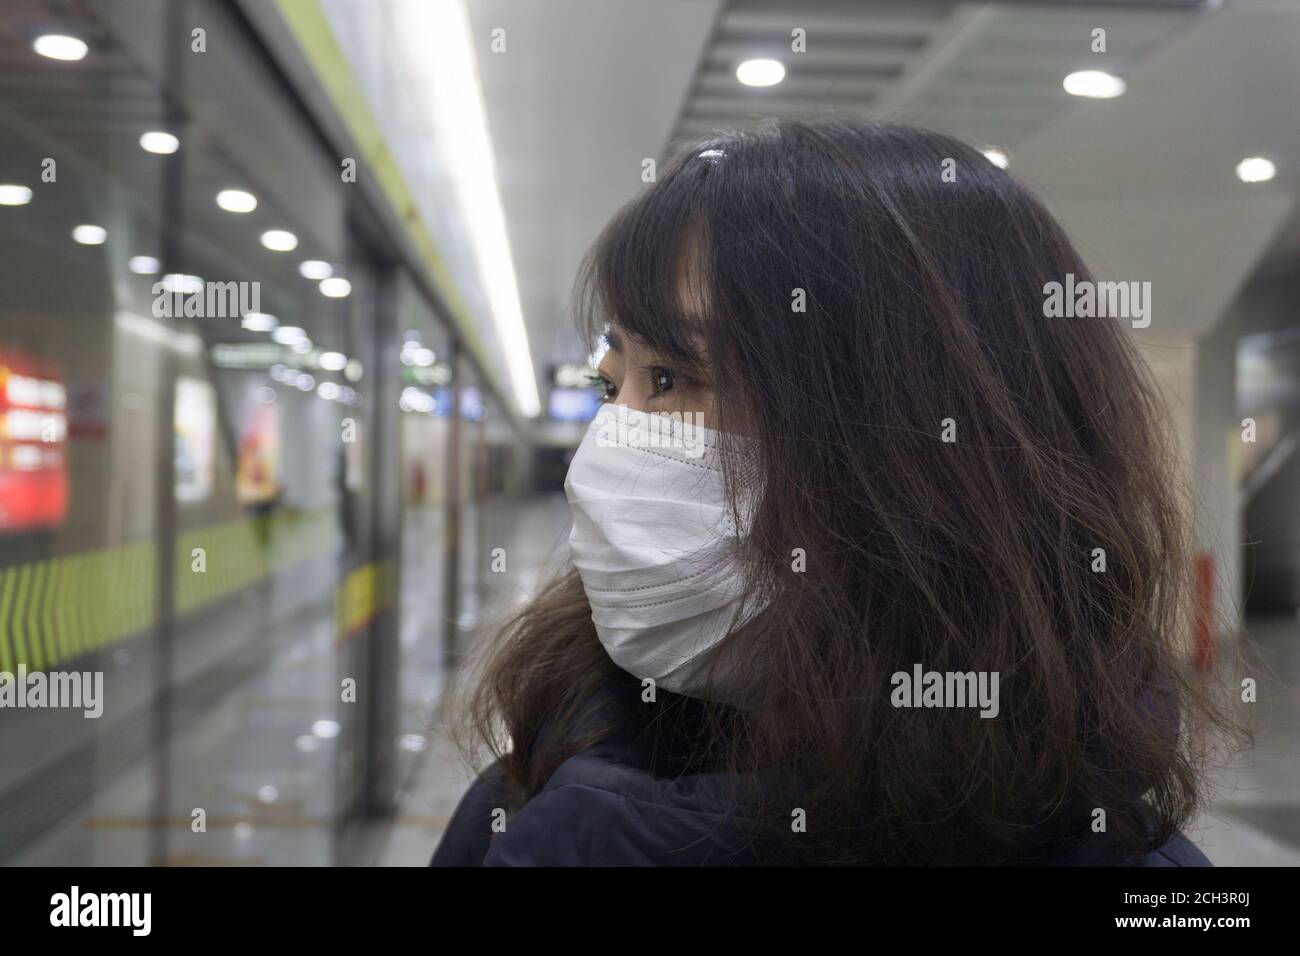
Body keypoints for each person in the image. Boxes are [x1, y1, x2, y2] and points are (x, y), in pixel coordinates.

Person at [432, 119, 1232, 866]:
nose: (608, 449)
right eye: (612, 387)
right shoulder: (537, 790)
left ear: (917, 438)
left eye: (673, 378)